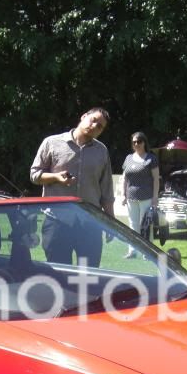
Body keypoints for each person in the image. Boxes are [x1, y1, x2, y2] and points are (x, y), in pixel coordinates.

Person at [29, 107, 113, 265]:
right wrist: (55, 177)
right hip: (57, 221)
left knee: (90, 277)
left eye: (100, 126)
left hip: (90, 223)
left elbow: (107, 190)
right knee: (59, 276)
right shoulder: (52, 142)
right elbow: (34, 174)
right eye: (93, 120)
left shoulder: (102, 151)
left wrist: (110, 222)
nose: (95, 126)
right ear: (83, 117)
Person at [119, 131, 160, 256]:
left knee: (146, 225)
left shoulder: (151, 159)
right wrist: (123, 194)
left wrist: (155, 197)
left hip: (146, 197)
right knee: (133, 225)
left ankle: (147, 252)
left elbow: (156, 179)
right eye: (134, 142)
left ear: (144, 143)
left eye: (139, 141)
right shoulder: (128, 158)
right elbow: (124, 178)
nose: (136, 144)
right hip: (131, 197)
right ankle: (132, 251)